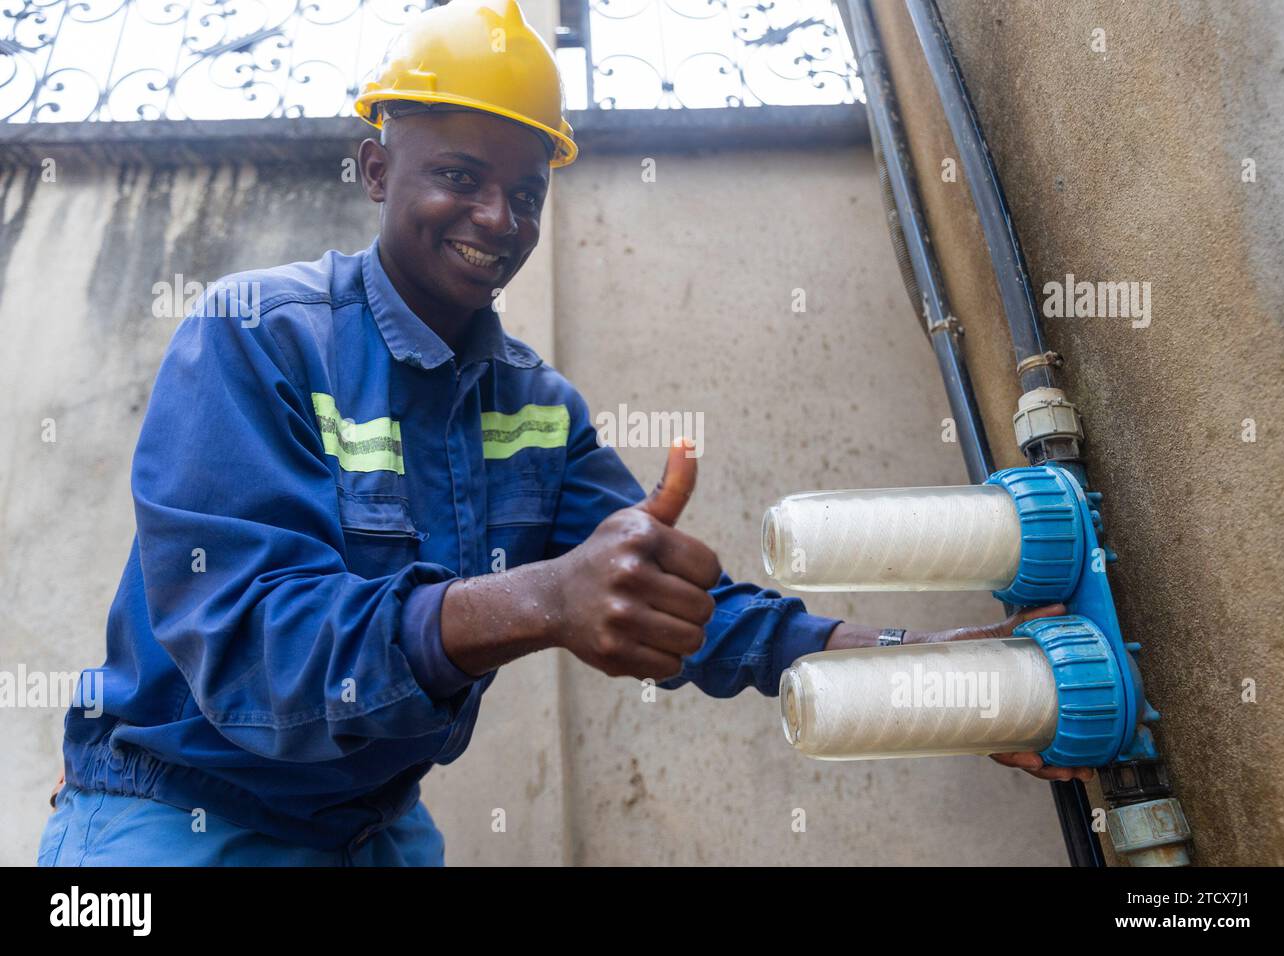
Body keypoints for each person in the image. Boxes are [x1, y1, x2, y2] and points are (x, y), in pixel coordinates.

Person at [38, 0, 1090, 867]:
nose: (498, 217)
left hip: (368, 827)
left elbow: (673, 599)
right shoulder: (256, 339)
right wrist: (543, 595)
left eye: (526, 190)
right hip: (176, 817)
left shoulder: (534, 406)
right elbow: (258, 656)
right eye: (459, 174)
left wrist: (913, 666)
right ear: (374, 170)